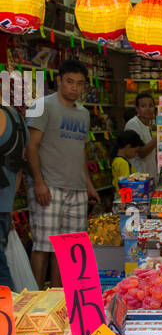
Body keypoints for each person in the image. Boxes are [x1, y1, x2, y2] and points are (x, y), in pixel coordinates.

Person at [26, 58, 99, 287]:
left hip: (76, 189)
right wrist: (39, 182)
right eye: (70, 81)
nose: (74, 87)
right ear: (59, 80)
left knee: (68, 249)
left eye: (79, 83)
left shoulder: (83, 113)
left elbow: (80, 152)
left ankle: (60, 296)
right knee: (42, 246)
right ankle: (36, 296)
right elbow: (31, 147)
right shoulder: (43, 106)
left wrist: (89, 186)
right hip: (49, 187)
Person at [0, 104, 28, 289]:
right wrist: (8, 205)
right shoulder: (17, 120)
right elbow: (19, 169)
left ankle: (6, 306)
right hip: (4, 206)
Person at [124, 91, 158, 178]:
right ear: (137, 109)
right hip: (138, 179)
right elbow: (141, 153)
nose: (148, 109)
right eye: (143, 106)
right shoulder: (132, 125)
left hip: (149, 176)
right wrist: (159, 137)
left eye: (151, 106)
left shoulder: (148, 125)